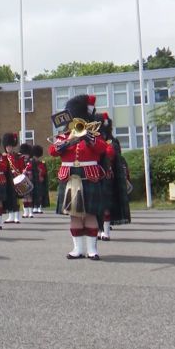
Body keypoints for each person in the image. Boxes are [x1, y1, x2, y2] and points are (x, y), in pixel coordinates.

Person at [49, 95, 113, 260]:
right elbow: (52, 151)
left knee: (90, 214)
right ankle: (77, 249)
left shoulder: (94, 134)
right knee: (74, 215)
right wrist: (68, 140)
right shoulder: (65, 135)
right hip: (70, 177)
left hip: (89, 176)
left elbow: (102, 148)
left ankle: (92, 250)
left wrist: (88, 137)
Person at [97, 113, 131, 240]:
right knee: (96, 206)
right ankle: (98, 230)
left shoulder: (113, 141)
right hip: (94, 174)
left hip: (107, 175)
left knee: (106, 205)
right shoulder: (92, 138)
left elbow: (116, 158)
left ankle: (106, 232)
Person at [2, 132, 22, 224]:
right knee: (9, 197)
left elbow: (21, 167)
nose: (8, 148)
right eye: (7, 147)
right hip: (7, 178)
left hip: (16, 177)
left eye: (10, 146)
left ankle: (17, 216)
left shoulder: (17, 156)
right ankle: (10, 216)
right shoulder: (3, 157)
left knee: (16, 198)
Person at [31, 145, 50, 214]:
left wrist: (41, 174)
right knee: (34, 194)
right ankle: (35, 206)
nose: (36, 158)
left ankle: (39, 206)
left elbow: (44, 172)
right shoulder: (31, 163)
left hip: (40, 181)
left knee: (40, 194)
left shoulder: (41, 163)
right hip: (33, 181)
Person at [17, 143, 35, 219]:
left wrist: (27, 171)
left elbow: (33, 170)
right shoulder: (20, 161)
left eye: (26, 154)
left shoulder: (31, 161)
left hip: (29, 180)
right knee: (24, 197)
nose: (25, 156)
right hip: (22, 180)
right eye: (24, 154)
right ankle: (25, 212)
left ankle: (30, 212)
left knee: (29, 197)